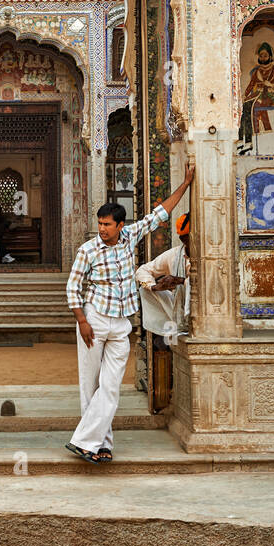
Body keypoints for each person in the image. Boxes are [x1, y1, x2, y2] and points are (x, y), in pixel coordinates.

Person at [64, 163, 195, 463]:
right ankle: (97, 444)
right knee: (91, 386)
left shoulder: (130, 236)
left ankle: (88, 441)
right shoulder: (88, 250)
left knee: (110, 387)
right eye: (99, 223)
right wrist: (82, 321)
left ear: (120, 225)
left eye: (107, 224)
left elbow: (160, 213)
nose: (102, 229)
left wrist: (186, 183)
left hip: (121, 324)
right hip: (94, 320)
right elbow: (73, 288)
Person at [135, 212, 191, 345]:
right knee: (145, 290)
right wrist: (154, 286)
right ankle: (168, 331)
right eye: (189, 238)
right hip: (177, 311)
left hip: (205, 313)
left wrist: (181, 281)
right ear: (183, 239)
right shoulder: (174, 255)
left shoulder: (209, 255)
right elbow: (142, 270)